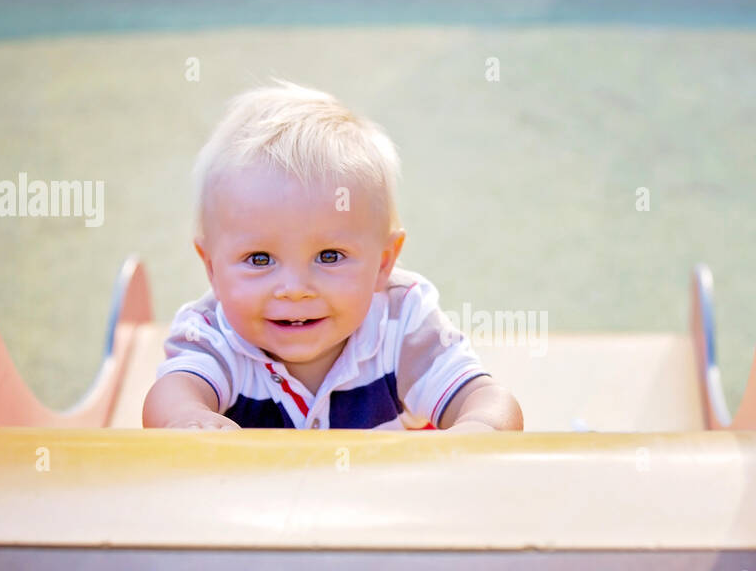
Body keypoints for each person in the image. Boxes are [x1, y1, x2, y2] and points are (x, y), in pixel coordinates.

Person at [143, 81, 523, 432]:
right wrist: (187, 418)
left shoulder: (401, 323)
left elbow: (485, 397)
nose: (294, 290)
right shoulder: (213, 333)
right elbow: (173, 394)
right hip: (255, 503)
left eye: (329, 256)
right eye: (260, 259)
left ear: (384, 262)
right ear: (211, 267)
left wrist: (479, 427)